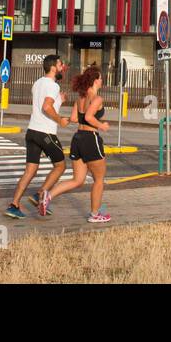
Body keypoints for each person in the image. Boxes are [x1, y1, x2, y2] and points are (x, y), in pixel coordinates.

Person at [40, 64, 111, 223]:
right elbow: (88, 118)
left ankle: (48, 195)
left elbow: (73, 119)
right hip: (90, 138)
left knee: (78, 180)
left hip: (77, 139)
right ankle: (95, 214)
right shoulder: (97, 98)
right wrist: (102, 126)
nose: (102, 80)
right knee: (99, 180)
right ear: (95, 80)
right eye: (100, 78)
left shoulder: (80, 98)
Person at [5, 54, 70, 220]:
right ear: (54, 67)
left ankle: (14, 205)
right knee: (60, 166)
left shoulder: (38, 83)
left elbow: (45, 105)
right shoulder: (52, 86)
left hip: (32, 131)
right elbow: (46, 107)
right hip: (45, 133)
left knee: (30, 171)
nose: (63, 66)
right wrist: (60, 120)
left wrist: (60, 101)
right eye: (61, 63)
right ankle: (39, 195)